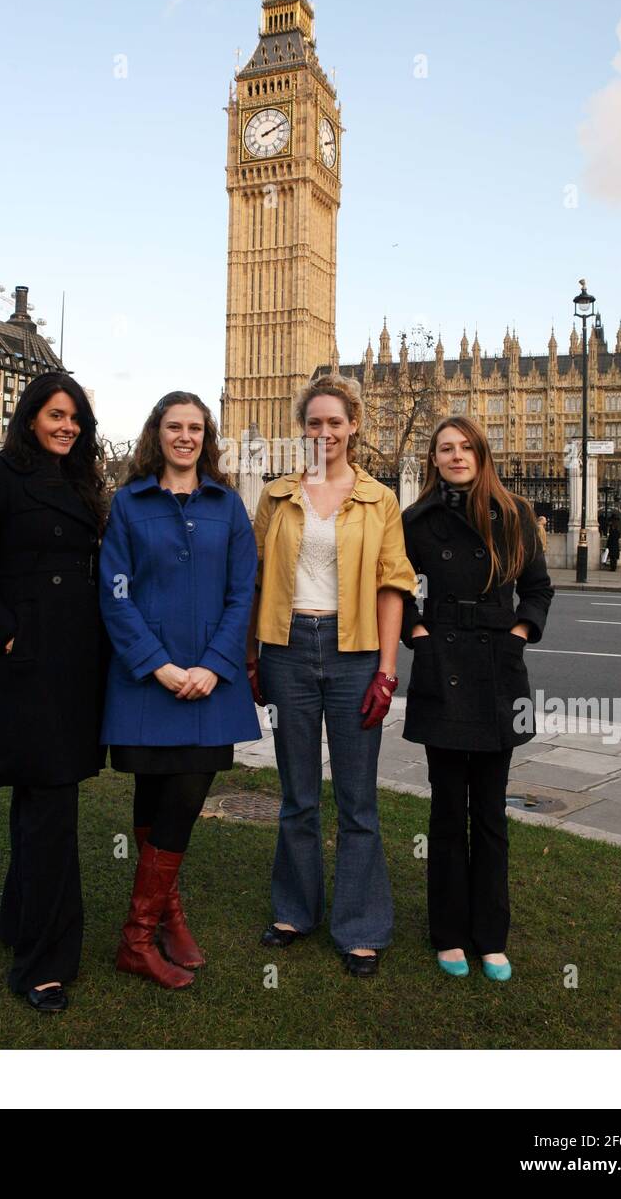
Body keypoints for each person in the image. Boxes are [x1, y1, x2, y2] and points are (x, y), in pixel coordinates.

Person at [0, 371, 110, 1013]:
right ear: (31, 417)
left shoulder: (78, 480)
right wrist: (7, 636)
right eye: (55, 415)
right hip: (30, 659)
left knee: (39, 798)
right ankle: (42, 965)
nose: (66, 425)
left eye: (74, 417)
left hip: (76, 657)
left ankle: (18, 923)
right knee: (51, 808)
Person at [248, 373, 417, 978]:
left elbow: (393, 585)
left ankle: (360, 926)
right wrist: (250, 658)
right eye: (314, 422)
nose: (324, 432)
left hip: (354, 654)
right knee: (296, 793)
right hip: (288, 647)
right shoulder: (276, 497)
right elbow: (254, 581)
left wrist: (388, 672)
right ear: (303, 428)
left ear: (354, 427)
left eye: (335, 422)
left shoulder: (380, 499)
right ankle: (295, 910)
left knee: (357, 797)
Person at [99, 391, 260, 990]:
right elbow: (116, 593)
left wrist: (216, 665)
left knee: (186, 796)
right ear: (157, 434)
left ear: (206, 437)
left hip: (210, 684)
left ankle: (142, 931)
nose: (185, 437)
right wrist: (157, 666)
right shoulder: (128, 503)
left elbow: (242, 593)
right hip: (147, 683)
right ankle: (159, 923)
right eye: (175, 427)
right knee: (153, 793)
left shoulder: (228, 506)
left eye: (195, 427)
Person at [400, 415, 553, 982]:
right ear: (433, 459)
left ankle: (490, 936)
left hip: (495, 671)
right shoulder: (416, 520)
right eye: (446, 448)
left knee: (490, 812)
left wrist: (517, 637)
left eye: (466, 447)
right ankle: (447, 934)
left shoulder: (511, 514)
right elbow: (394, 585)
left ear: (481, 454)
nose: (457, 455)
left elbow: (537, 588)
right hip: (443, 668)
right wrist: (417, 634)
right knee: (445, 809)